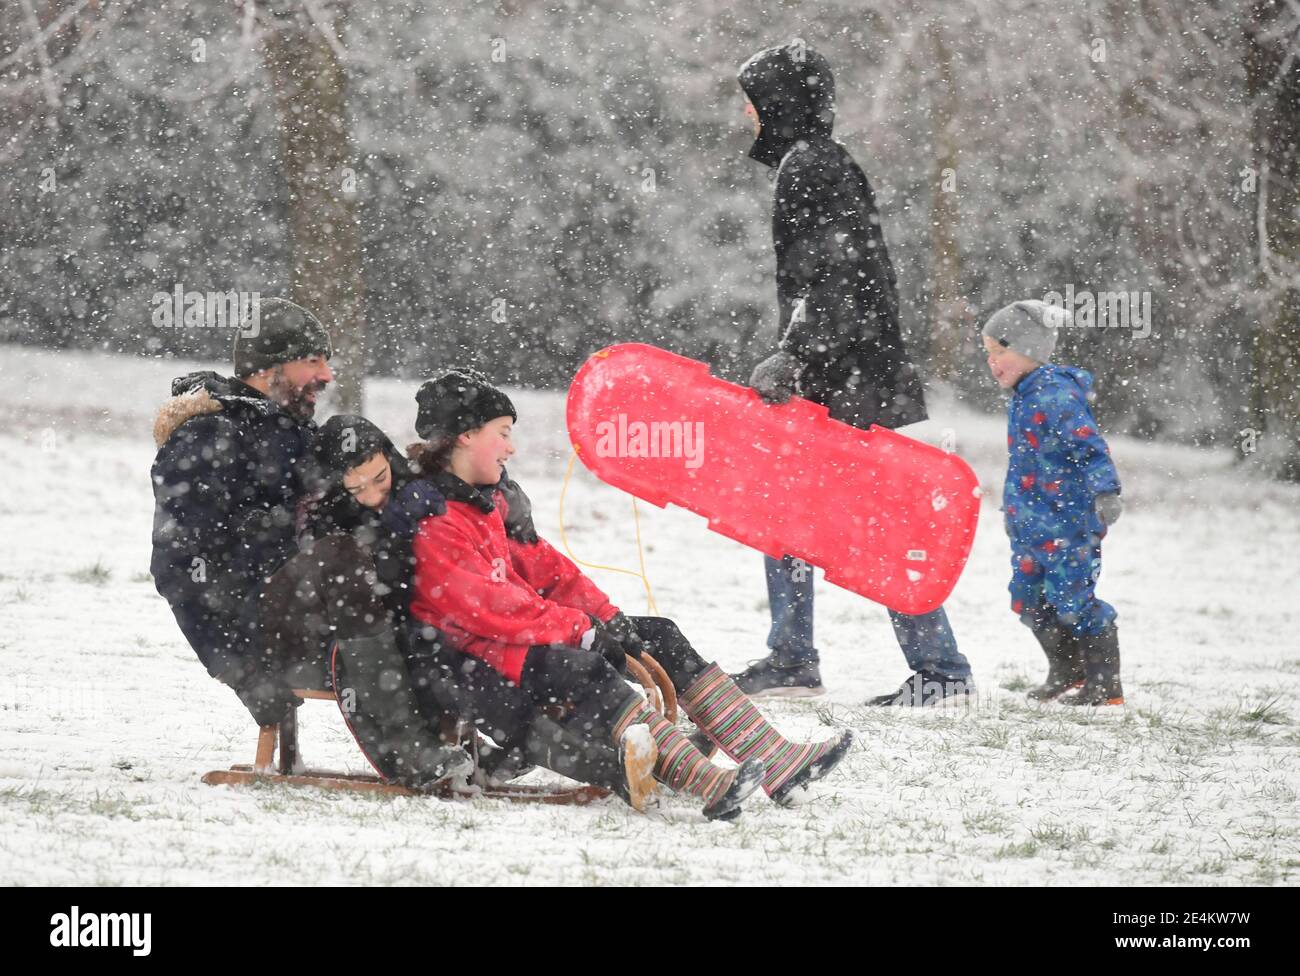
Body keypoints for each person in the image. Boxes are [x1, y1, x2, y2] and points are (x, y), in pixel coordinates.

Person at [404, 367, 854, 821]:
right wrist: (582, 631)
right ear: (465, 435)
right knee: (586, 664)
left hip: (520, 635)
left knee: (659, 636)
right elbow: (489, 608)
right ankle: (705, 781)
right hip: (482, 655)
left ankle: (777, 761)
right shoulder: (437, 517)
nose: (511, 447)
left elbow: (548, 572)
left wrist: (607, 617)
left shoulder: (489, 501)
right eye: (501, 433)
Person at [735, 39, 975, 706]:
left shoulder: (809, 167)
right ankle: (793, 658)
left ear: (778, 104)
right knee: (787, 508)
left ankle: (941, 672)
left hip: (847, 380)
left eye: (755, 105)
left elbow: (834, 278)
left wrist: (795, 353)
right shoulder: (819, 162)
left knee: (873, 520)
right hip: (847, 370)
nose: (750, 118)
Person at [149, 298, 471, 790]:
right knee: (341, 559)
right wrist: (240, 670)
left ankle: (467, 733)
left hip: (328, 605)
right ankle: (406, 750)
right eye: (313, 361)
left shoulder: (297, 433)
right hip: (258, 625)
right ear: (268, 369)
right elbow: (177, 565)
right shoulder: (210, 436)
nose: (327, 374)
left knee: (397, 558)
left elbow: (331, 518)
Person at [307, 414, 658, 809]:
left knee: (513, 678)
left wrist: (508, 499)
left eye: (379, 478)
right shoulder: (333, 530)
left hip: (442, 629)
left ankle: (633, 759)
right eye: (356, 488)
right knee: (488, 695)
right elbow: (357, 608)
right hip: (387, 646)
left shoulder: (417, 491)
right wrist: (382, 535)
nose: (372, 495)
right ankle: (612, 769)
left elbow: (473, 485)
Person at [981, 300, 1125, 705]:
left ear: (1029, 349)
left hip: (1069, 522)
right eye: (988, 354)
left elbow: (1090, 446)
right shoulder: (1024, 396)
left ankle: (1105, 684)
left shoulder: (1056, 394)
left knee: (1073, 600)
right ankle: (1067, 671)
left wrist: (1105, 491)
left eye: (999, 352)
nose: (992, 363)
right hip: (1031, 523)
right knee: (1028, 599)